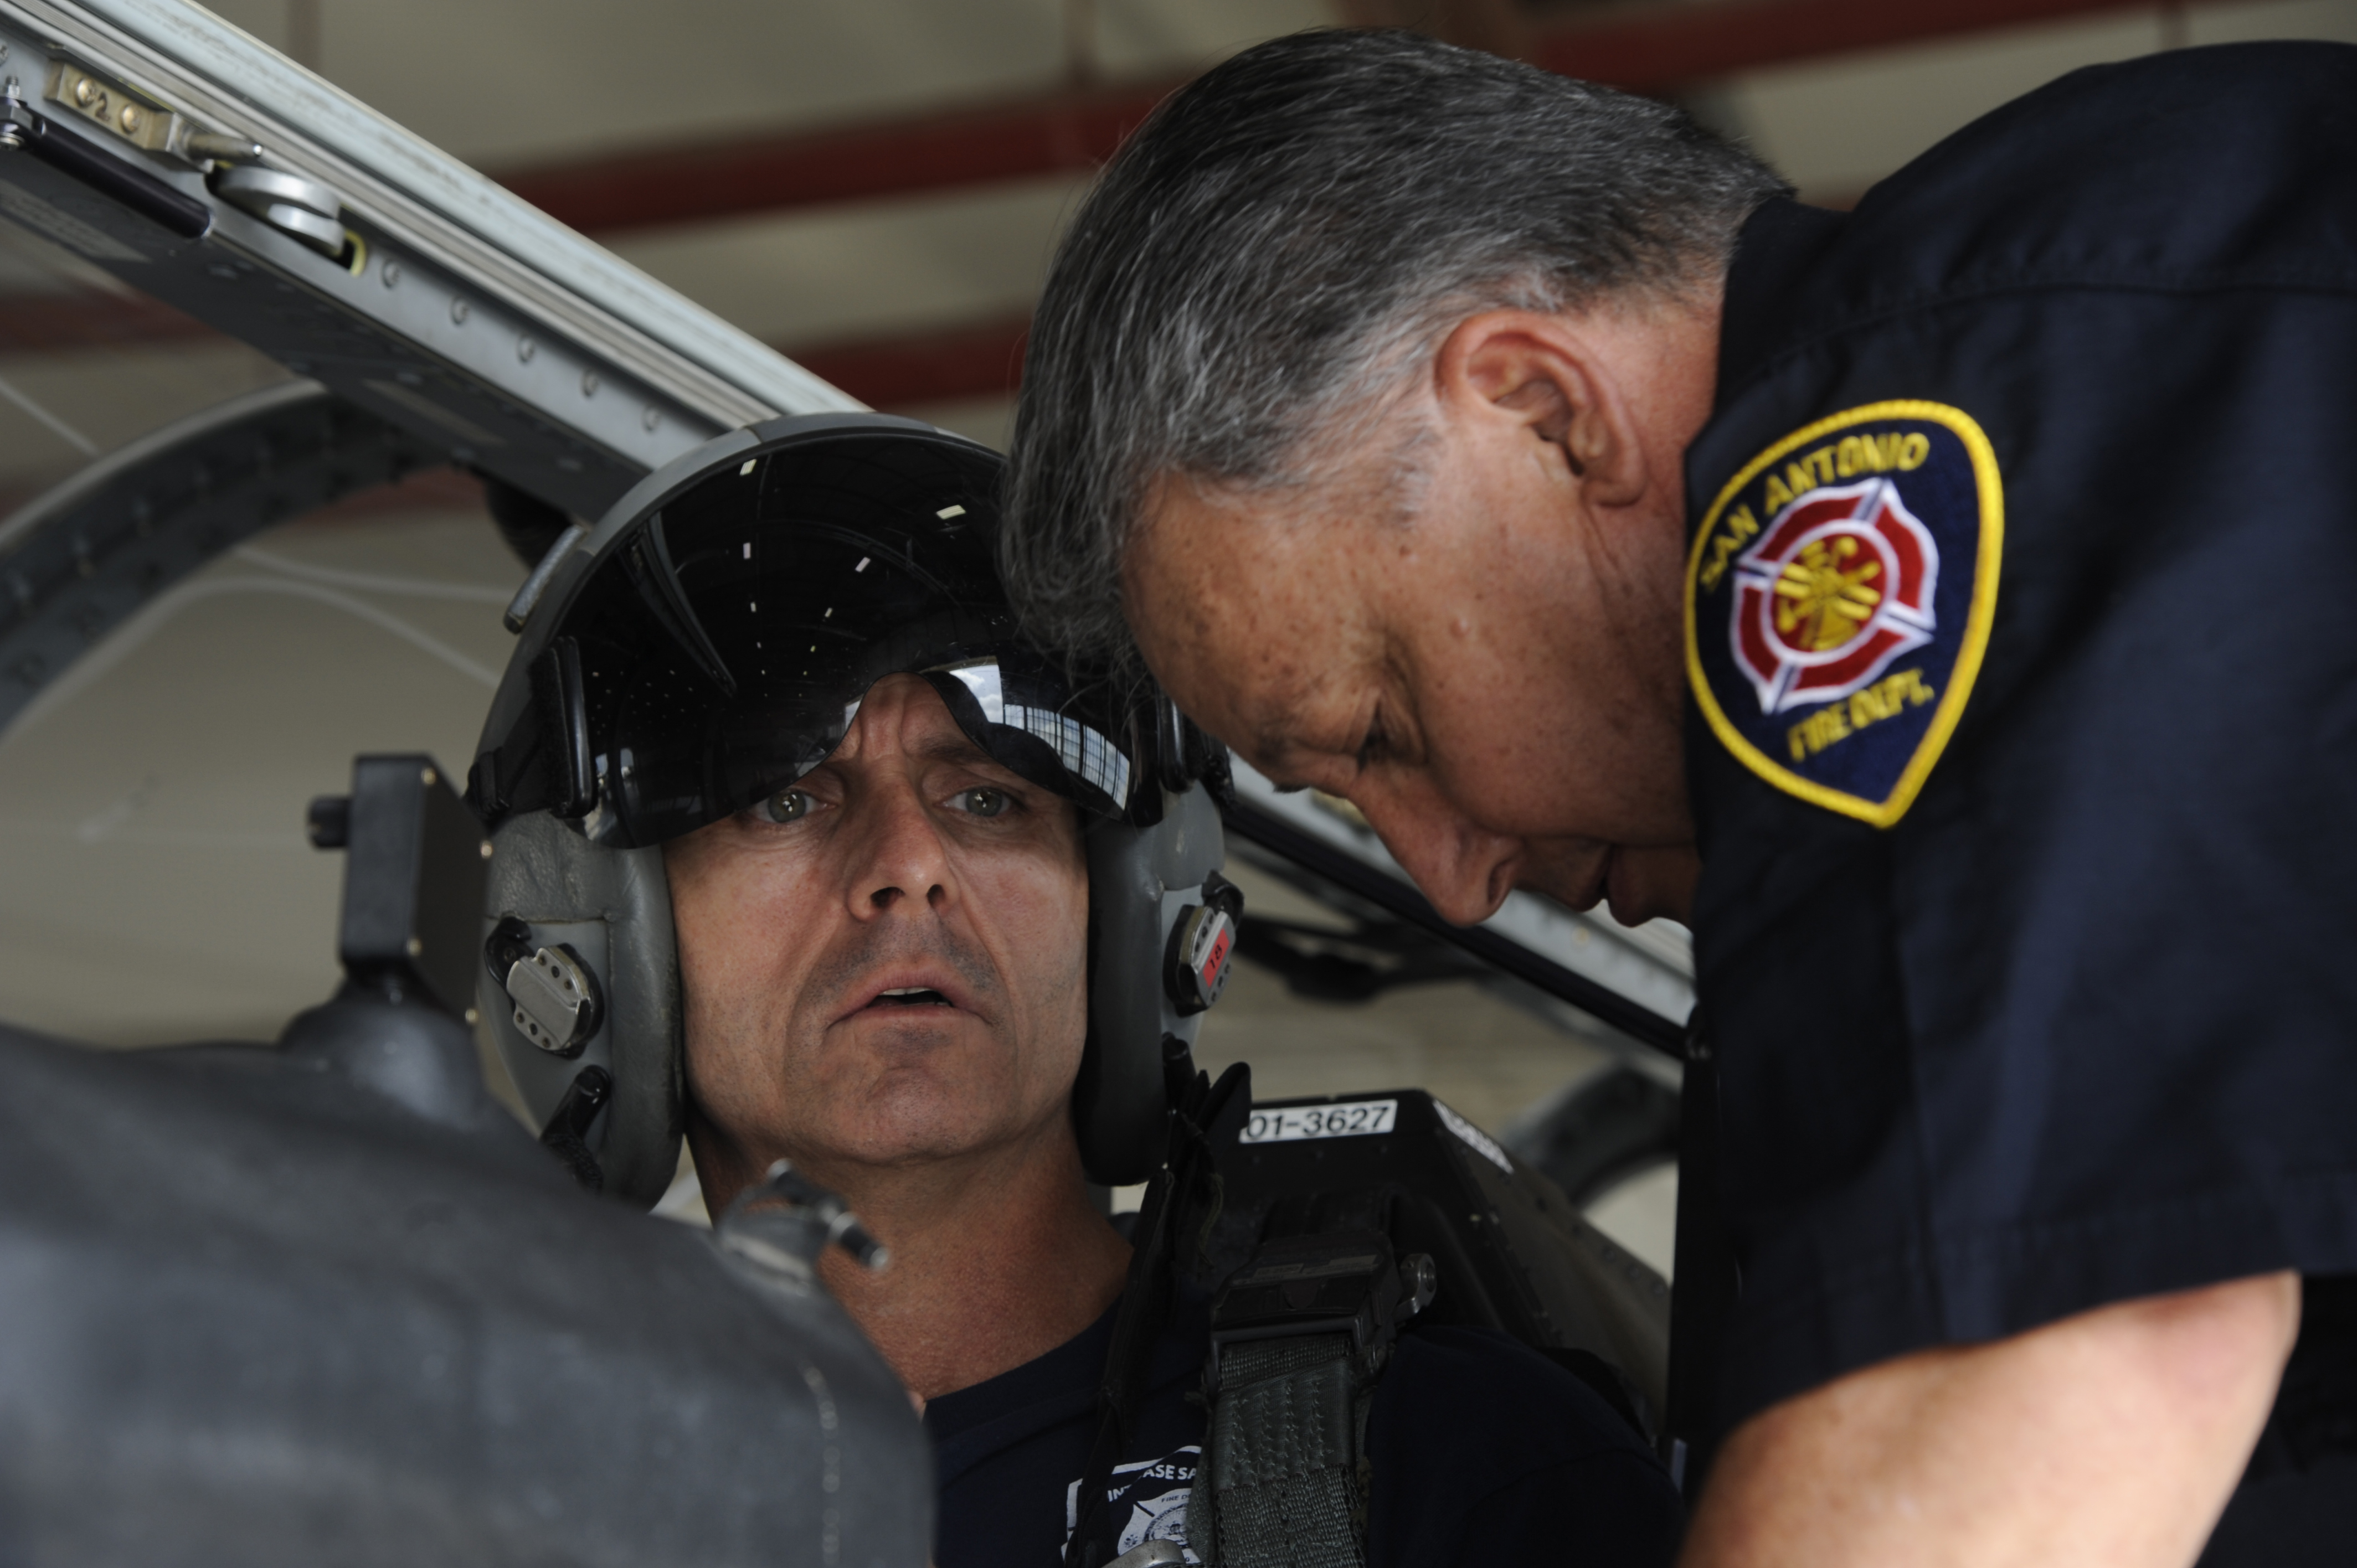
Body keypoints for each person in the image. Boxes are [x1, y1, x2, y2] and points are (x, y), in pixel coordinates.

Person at [996, 29, 2357, 1567]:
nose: (1448, 879)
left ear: (1542, 410)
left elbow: (2052, 1362)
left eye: (1379, 731)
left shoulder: (1887, 477)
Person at [465, 415, 1685, 1567]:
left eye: (989, 799)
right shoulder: (477, 1508)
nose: (907, 872)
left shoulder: (1452, 1468)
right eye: (785, 800)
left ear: (1134, 910)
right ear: (605, 943)